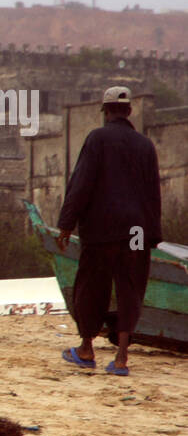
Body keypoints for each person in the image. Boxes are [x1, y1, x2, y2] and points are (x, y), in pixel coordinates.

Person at [56, 85, 162, 376]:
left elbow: (81, 184)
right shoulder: (145, 145)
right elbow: (154, 194)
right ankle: (121, 358)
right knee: (131, 288)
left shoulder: (98, 138)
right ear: (129, 111)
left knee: (92, 286)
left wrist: (66, 223)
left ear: (105, 112)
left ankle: (87, 349)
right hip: (137, 231)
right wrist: (153, 235)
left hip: (103, 229)